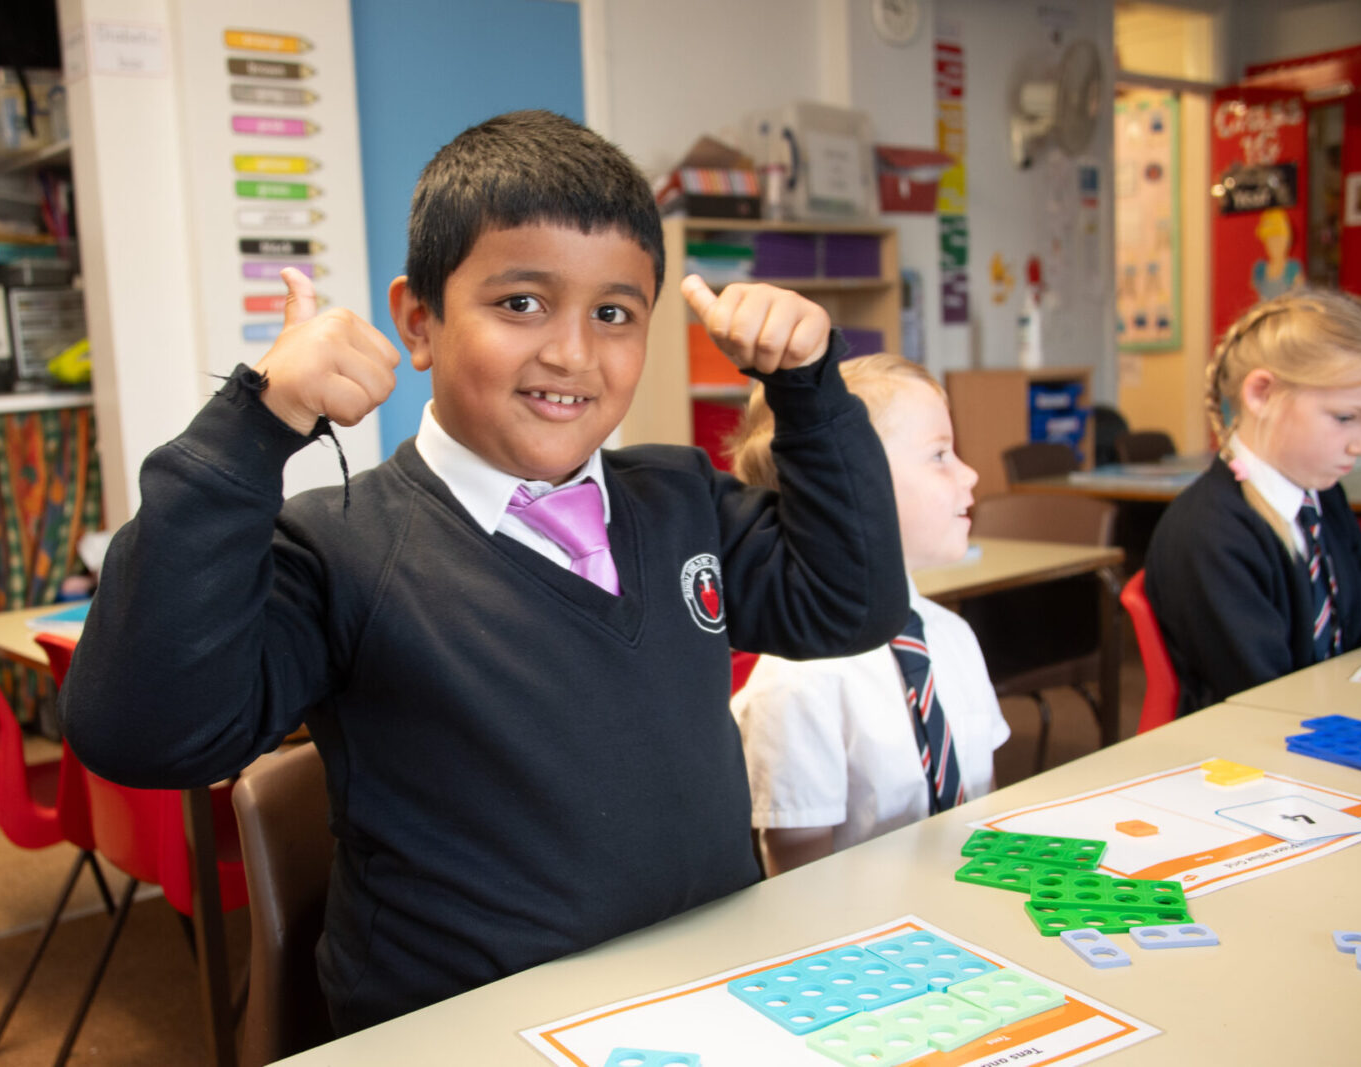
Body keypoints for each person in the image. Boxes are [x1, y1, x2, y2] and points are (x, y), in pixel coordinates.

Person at [58, 110, 907, 1035]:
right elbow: (140, 731)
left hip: (709, 995)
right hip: (473, 1031)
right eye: (521, 304)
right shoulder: (337, 544)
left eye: (614, 314)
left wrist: (810, 385)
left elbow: (849, 604)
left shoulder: (677, 495)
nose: (572, 353)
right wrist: (255, 425)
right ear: (419, 320)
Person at [728, 354, 1009, 877]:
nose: (970, 473)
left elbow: (984, 803)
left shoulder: (953, 635)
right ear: (850, 491)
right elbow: (798, 878)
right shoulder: (797, 679)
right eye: (940, 455)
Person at [1147, 287, 1361, 715]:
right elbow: (1267, 701)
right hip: (1253, 756)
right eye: (1345, 418)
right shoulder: (1209, 534)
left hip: (1335, 726)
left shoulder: (1324, 499)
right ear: (1262, 394)